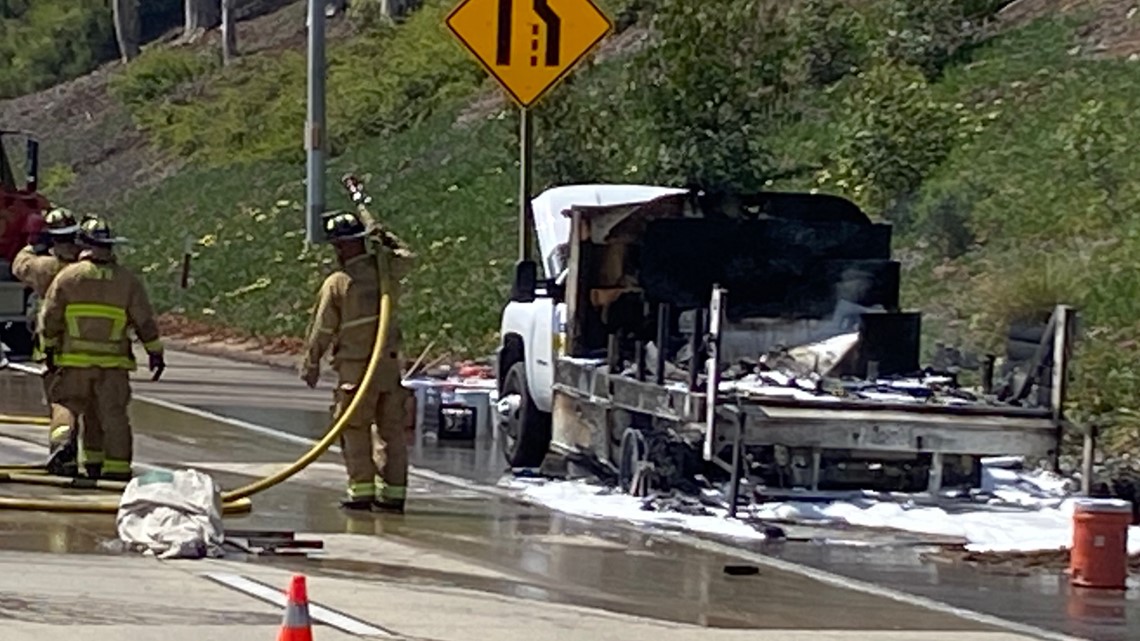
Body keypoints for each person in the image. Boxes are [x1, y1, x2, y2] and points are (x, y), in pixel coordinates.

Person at [38, 216, 165, 481]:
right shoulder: (127, 281)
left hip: (73, 362)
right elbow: (144, 321)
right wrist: (155, 352)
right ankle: (114, 468)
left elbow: (50, 317)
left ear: (84, 244)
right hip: (113, 365)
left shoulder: (68, 277)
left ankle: (63, 450)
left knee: (66, 405)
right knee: (112, 415)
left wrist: (48, 348)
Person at [300, 210, 412, 513]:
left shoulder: (338, 283)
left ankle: (361, 492)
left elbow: (322, 328)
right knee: (391, 431)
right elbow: (407, 256)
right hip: (387, 370)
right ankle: (393, 495)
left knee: (354, 429)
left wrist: (311, 363)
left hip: (355, 371)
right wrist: (386, 237)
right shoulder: (385, 272)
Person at [10, 208, 94, 475]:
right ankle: (99, 463)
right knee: (98, 409)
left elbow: (19, 266)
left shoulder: (45, 267)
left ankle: (63, 450)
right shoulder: (88, 268)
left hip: (58, 346)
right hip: (96, 343)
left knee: (63, 403)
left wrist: (33, 245)